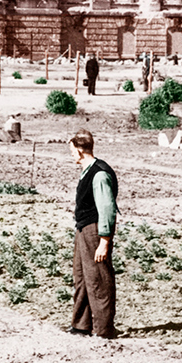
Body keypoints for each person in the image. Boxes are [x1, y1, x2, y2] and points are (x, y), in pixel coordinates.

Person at [67, 129, 118, 339]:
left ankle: (104, 329)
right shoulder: (88, 170)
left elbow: (107, 208)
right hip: (83, 228)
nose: (71, 154)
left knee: (98, 278)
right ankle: (81, 325)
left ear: (79, 151)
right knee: (81, 277)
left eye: (71, 150)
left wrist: (104, 241)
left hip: (95, 230)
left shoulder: (99, 174)